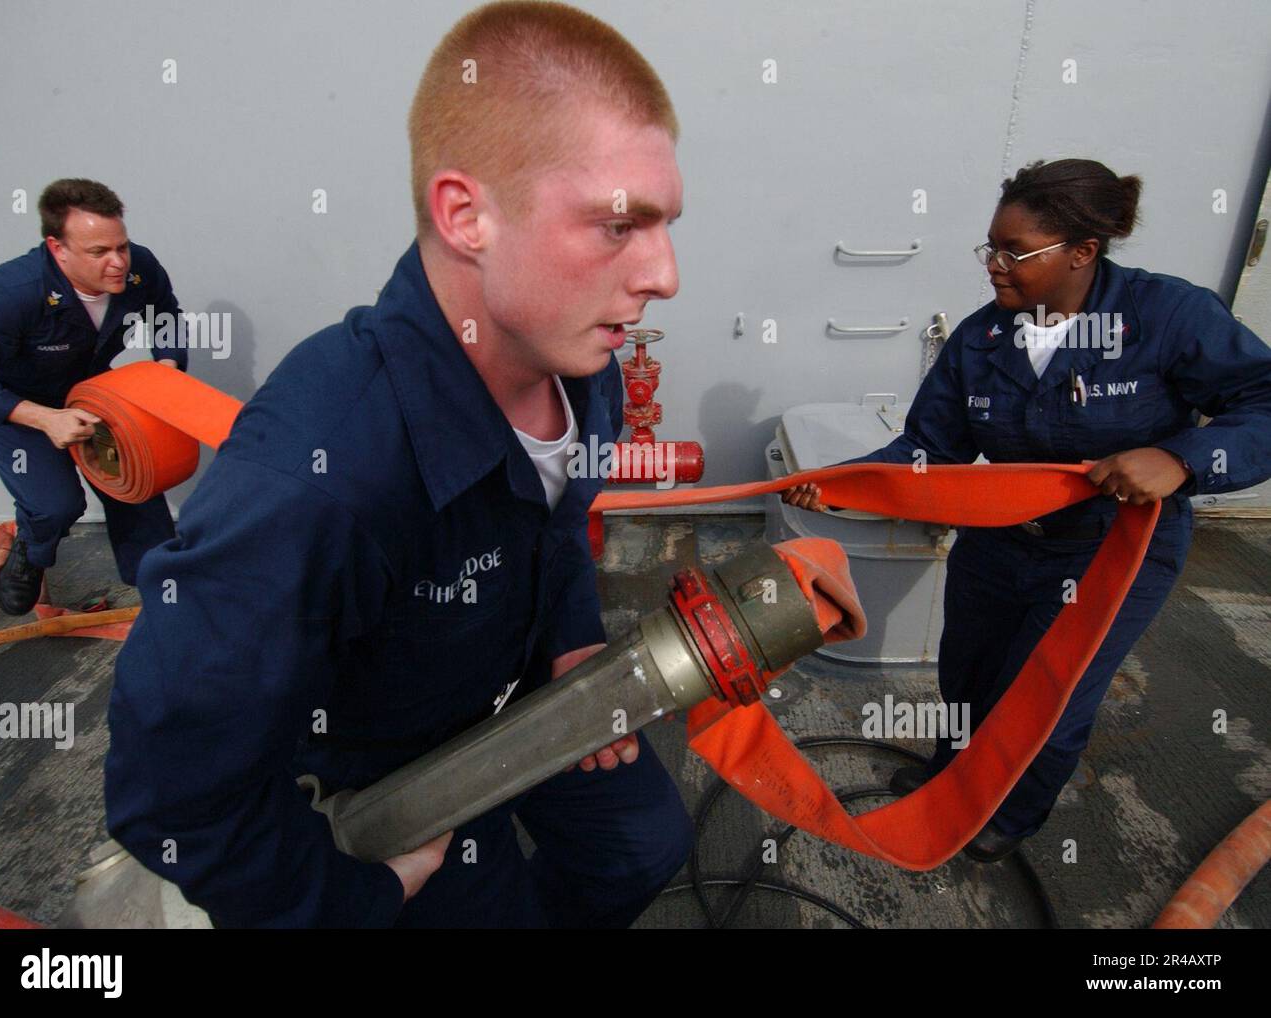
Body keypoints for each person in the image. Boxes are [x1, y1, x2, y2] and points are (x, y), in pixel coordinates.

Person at [105, 1, 692, 928]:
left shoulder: (587, 375)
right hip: (389, 782)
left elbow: (556, 530)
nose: (665, 274)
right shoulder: (319, 477)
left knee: (647, 846)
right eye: (621, 226)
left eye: (666, 226)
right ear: (467, 216)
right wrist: (353, 900)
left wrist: (570, 635)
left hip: (522, 694)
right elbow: (169, 794)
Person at [784, 158, 1271, 862]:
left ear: (1082, 253)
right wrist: (841, 482)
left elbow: (1262, 401)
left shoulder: (1170, 317)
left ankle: (1010, 812)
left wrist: (1182, 459)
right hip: (1001, 540)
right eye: (991, 247)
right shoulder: (984, 339)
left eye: (1016, 252)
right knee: (970, 670)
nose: (994, 266)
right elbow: (927, 446)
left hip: (1110, 552)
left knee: (1047, 694)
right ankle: (954, 776)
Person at [0, 178, 187, 613]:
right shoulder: (7, 295)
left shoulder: (139, 267)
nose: (118, 262)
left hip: (89, 394)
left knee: (135, 483)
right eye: (99, 252)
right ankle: (31, 551)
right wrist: (44, 419)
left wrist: (168, 366)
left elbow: (165, 313)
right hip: (10, 402)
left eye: (121, 246)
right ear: (57, 248)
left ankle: (162, 591)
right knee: (57, 504)